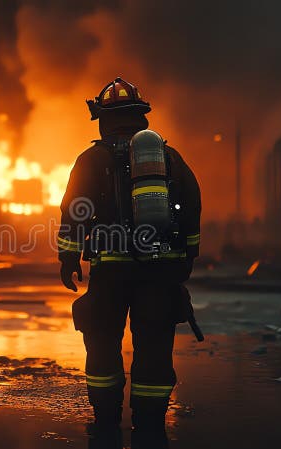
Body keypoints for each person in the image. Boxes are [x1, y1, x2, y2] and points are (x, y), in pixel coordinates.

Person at [58, 78, 201, 448]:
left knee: (103, 344)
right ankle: (150, 425)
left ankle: (106, 422)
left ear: (103, 122)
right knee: (153, 348)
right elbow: (192, 207)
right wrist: (186, 258)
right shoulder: (169, 159)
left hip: (110, 273)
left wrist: (68, 256)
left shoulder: (91, 161)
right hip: (159, 273)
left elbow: (74, 210)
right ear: (142, 119)